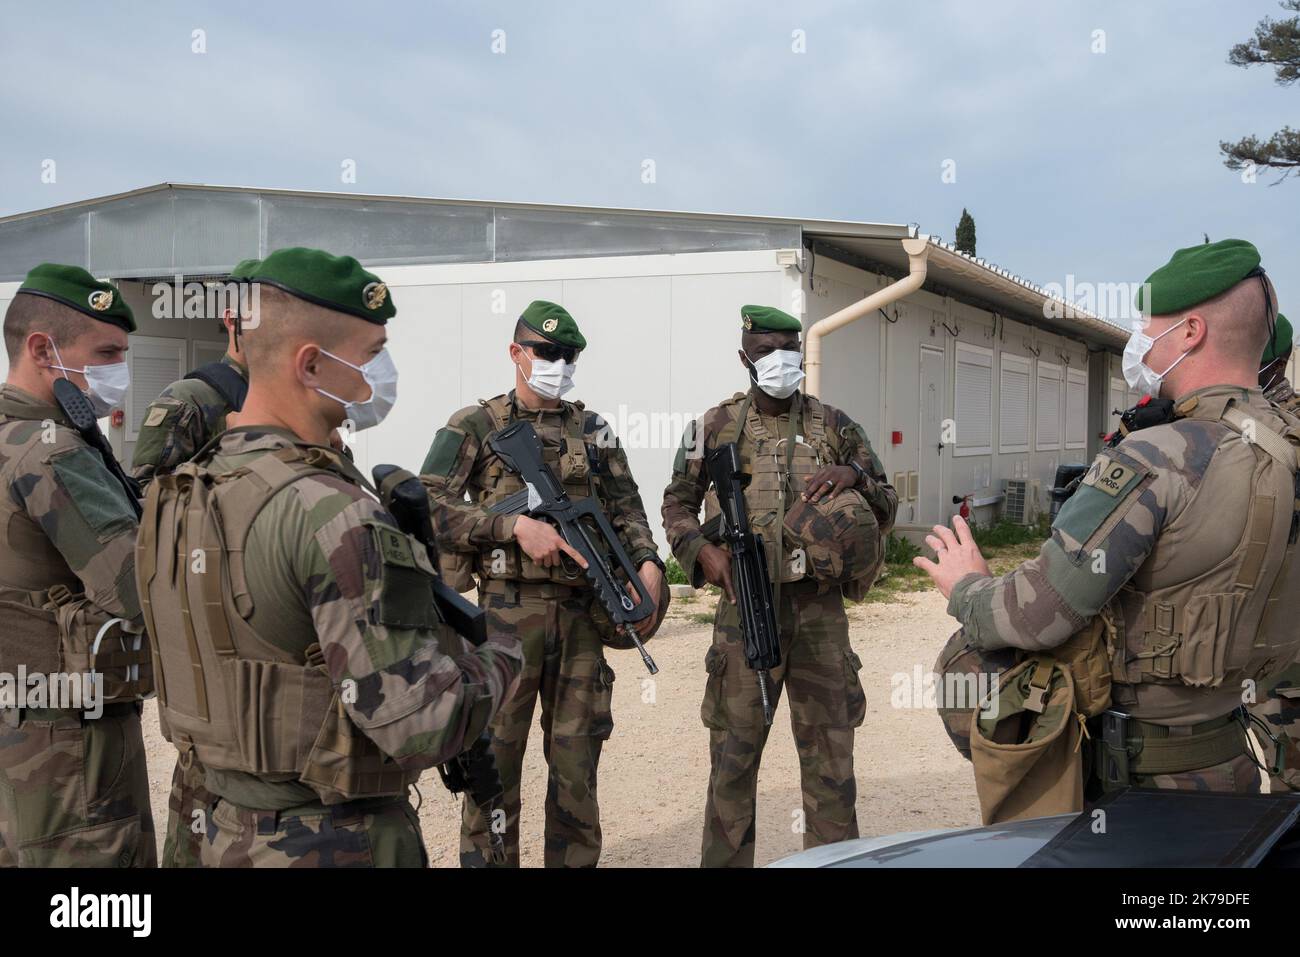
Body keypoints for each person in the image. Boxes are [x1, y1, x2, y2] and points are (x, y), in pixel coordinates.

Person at [136, 247, 523, 866]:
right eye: (373, 354)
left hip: (211, 827)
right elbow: (419, 725)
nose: (384, 371)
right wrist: (502, 651)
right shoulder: (331, 511)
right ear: (312, 364)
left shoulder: (178, 489)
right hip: (327, 840)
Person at [921, 239, 1300, 794]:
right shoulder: (1286, 448)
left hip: (1140, 780)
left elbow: (1037, 616)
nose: (1139, 340)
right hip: (1230, 766)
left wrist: (968, 586)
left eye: (1149, 325)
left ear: (1190, 332)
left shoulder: (1157, 456)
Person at [422, 300, 664, 867]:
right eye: (548, 352)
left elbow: (627, 510)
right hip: (502, 620)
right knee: (493, 770)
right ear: (517, 353)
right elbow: (426, 505)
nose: (560, 363)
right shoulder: (474, 425)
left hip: (581, 617)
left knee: (577, 771)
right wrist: (511, 525)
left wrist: (649, 563)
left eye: (569, 355)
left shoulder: (593, 429)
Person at [661, 304, 897, 868]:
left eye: (789, 351)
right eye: (766, 352)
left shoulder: (834, 425)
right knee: (734, 762)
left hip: (818, 613)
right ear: (745, 356)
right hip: (744, 610)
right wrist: (701, 552)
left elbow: (887, 503)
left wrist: (856, 477)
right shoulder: (715, 426)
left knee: (831, 764)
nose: (780, 362)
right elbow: (676, 504)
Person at [0, 264, 155, 866]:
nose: (120, 371)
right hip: (69, 745)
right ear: (43, 349)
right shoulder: (53, 451)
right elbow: (138, 589)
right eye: (108, 353)